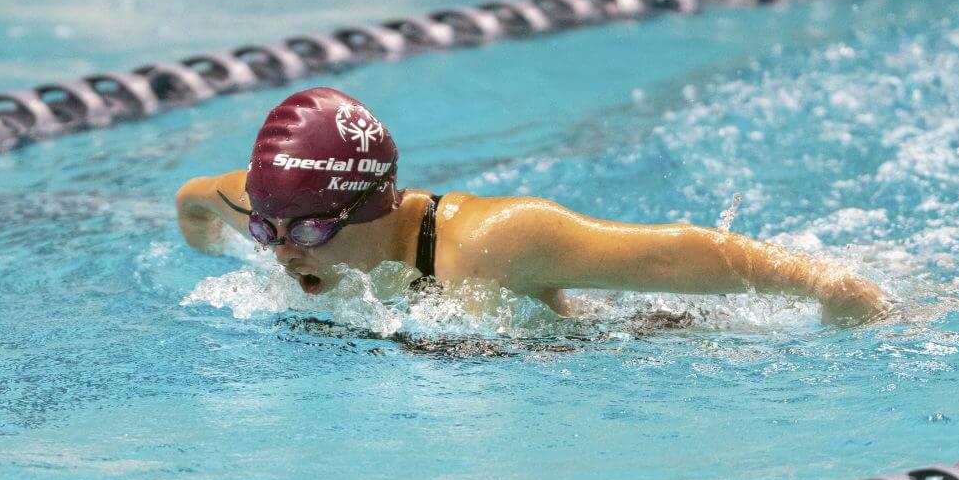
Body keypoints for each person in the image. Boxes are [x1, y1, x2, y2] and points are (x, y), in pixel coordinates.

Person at [175, 87, 888, 326]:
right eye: (264, 226)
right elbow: (194, 205)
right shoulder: (278, 215)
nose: (276, 249)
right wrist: (219, 244)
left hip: (625, 342)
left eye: (308, 228)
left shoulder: (492, 242)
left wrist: (829, 285)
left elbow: (673, 250)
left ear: (369, 206)